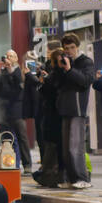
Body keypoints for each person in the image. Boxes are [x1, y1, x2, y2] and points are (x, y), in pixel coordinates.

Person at [56, 33, 95, 189]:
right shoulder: (65, 63)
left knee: (75, 147)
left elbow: (86, 81)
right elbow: (57, 84)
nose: (70, 51)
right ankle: (72, 179)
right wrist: (60, 69)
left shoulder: (86, 62)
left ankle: (82, 178)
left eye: (72, 47)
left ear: (77, 47)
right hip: (65, 108)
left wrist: (70, 70)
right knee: (66, 149)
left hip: (78, 109)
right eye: (66, 48)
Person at [0, 50, 33, 176]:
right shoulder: (2, 72)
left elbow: (19, 83)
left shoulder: (19, 71)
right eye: (6, 56)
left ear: (16, 58)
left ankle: (27, 164)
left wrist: (10, 68)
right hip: (2, 110)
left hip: (16, 110)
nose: (7, 58)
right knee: (7, 138)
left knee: (21, 137)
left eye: (11, 56)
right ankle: (11, 162)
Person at [34, 48, 67, 187]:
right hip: (54, 114)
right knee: (53, 145)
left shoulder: (58, 75)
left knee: (53, 146)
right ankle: (50, 172)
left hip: (55, 114)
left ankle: (51, 173)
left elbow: (47, 91)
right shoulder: (57, 74)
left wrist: (44, 82)